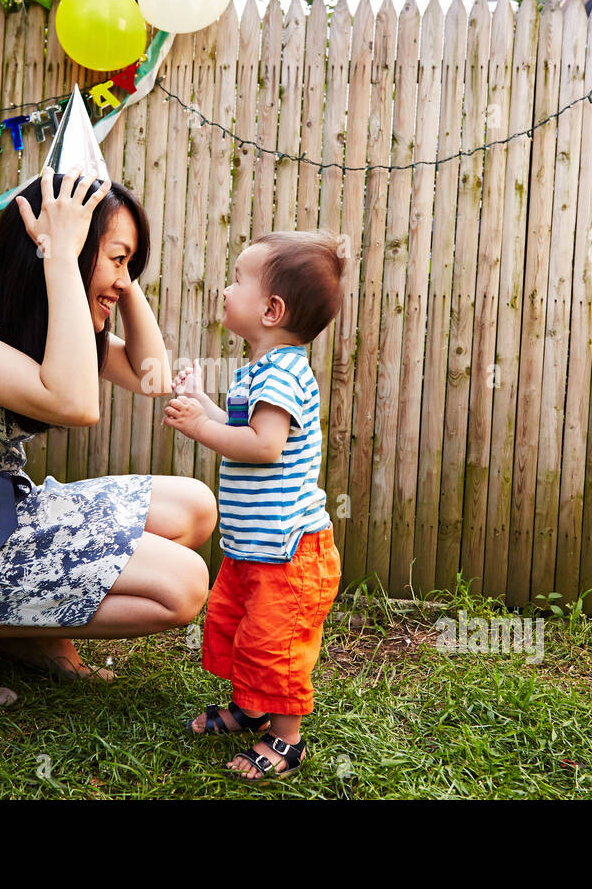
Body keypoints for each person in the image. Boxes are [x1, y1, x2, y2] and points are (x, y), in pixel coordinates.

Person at [0, 166, 216, 712]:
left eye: (127, 262)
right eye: (115, 258)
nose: (120, 278)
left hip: (12, 506)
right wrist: (62, 259)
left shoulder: (36, 316)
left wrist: (119, 279)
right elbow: (76, 404)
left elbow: (151, 376)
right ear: (62, 247)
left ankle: (22, 626)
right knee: (183, 586)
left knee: (196, 506)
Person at [164, 230, 346, 779]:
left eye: (237, 279)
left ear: (271, 309)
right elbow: (241, 427)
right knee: (240, 629)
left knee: (274, 643)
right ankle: (251, 705)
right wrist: (201, 403)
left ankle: (285, 740)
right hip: (255, 547)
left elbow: (264, 447)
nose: (225, 288)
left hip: (289, 554)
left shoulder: (284, 373)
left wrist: (198, 426)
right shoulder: (262, 372)